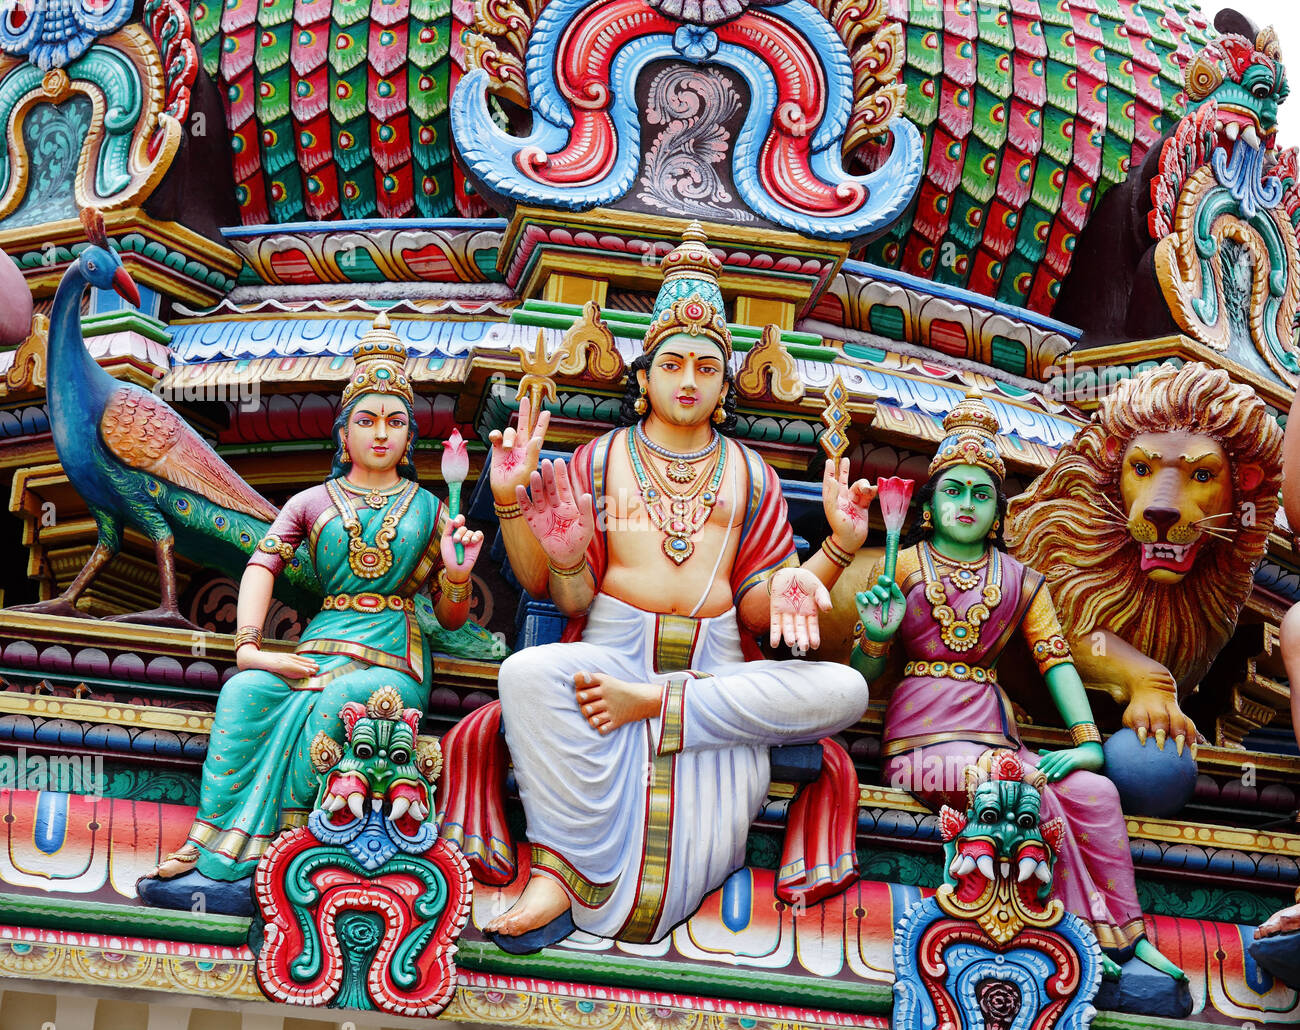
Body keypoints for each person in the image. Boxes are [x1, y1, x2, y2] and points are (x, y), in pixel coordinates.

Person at [482, 225, 872, 949]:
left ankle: (658, 706)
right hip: (609, 654)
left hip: (716, 665)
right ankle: (559, 872)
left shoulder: (750, 473)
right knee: (526, 673)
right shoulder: (603, 459)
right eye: (672, 364)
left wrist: (832, 558)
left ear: (726, 384)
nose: (688, 379)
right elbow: (568, 600)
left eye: (705, 366)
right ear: (645, 375)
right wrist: (523, 515)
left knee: (844, 691)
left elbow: (761, 603)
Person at [138, 313, 483, 907]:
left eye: (396, 422)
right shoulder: (310, 500)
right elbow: (260, 564)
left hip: (392, 652)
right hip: (320, 641)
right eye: (367, 420)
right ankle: (214, 844)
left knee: (334, 705)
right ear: (342, 433)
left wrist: (456, 574)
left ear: (412, 436)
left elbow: (450, 617)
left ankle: (288, 851)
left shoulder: (428, 507)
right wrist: (248, 646)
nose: (382, 434)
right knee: (243, 693)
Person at [853, 391, 1185, 981]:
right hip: (923, 749)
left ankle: (1130, 938)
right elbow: (863, 677)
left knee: (1096, 793)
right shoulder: (902, 565)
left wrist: (1087, 742)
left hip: (998, 743)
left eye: (982, 495)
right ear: (928, 506)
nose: (967, 504)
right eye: (953, 490)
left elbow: (1057, 661)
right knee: (1030, 790)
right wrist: (876, 638)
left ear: (998, 515)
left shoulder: (1021, 580)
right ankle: (1085, 937)